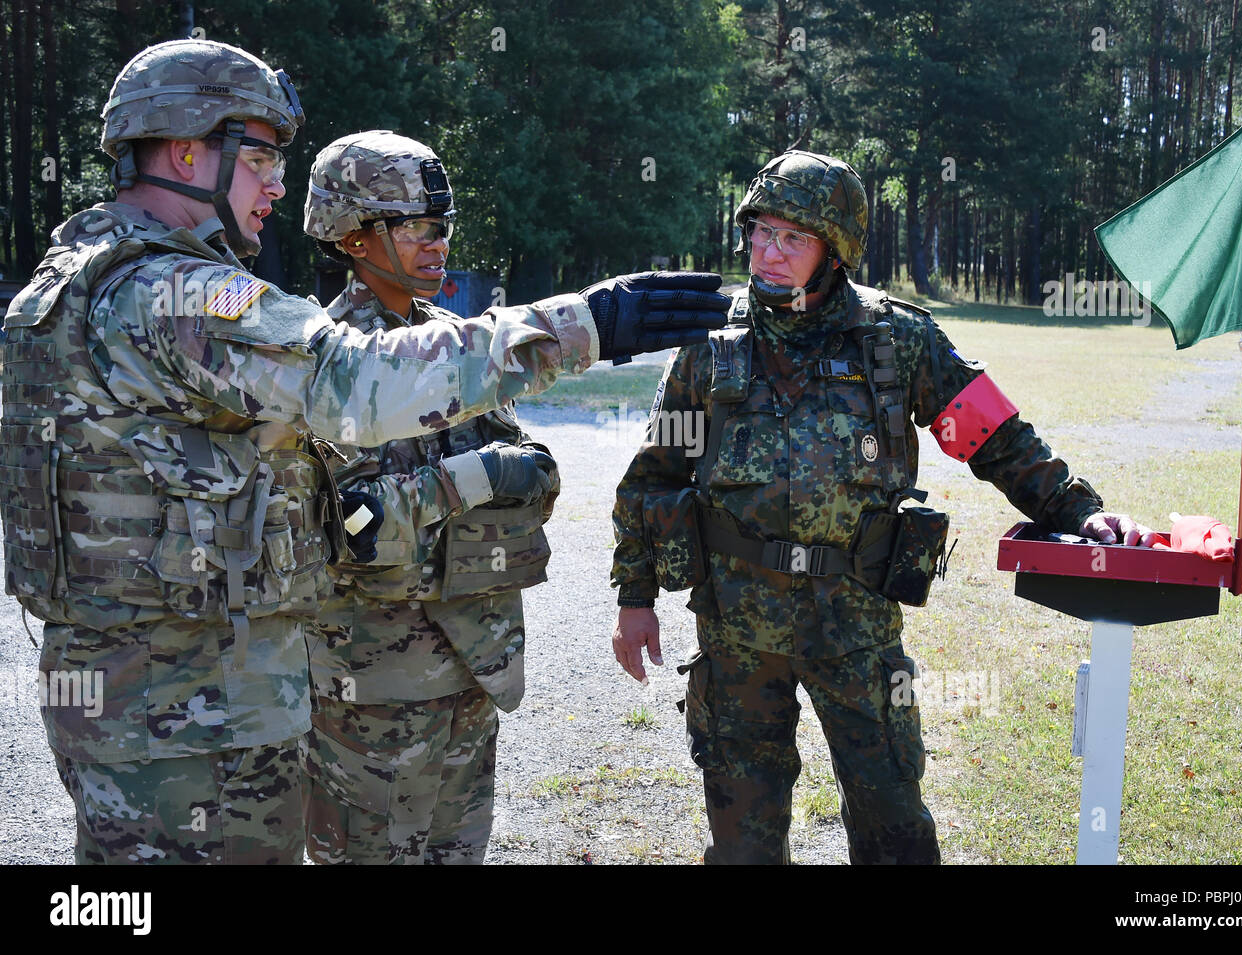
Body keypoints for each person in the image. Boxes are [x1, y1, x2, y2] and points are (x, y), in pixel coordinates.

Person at [0, 38, 728, 865]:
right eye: (261, 158)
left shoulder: (60, 285)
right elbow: (351, 378)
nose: (276, 182)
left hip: (119, 704)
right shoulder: (183, 288)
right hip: (195, 718)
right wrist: (584, 325)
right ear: (186, 149)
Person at [609, 149, 1155, 865]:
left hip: (858, 624)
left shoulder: (898, 341)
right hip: (737, 628)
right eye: (760, 232)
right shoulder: (711, 347)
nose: (767, 253)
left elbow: (993, 435)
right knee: (743, 842)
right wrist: (635, 595)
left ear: (834, 250)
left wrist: (1076, 510)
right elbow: (653, 475)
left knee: (893, 823)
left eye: (792, 238)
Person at [298, 130, 559, 864]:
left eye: (441, 227)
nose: (436, 245)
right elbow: (355, 529)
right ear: (351, 236)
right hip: (371, 692)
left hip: (473, 670)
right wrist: (473, 479)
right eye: (414, 228)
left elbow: (537, 475)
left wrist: (496, 477)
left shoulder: (458, 346)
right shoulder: (321, 361)